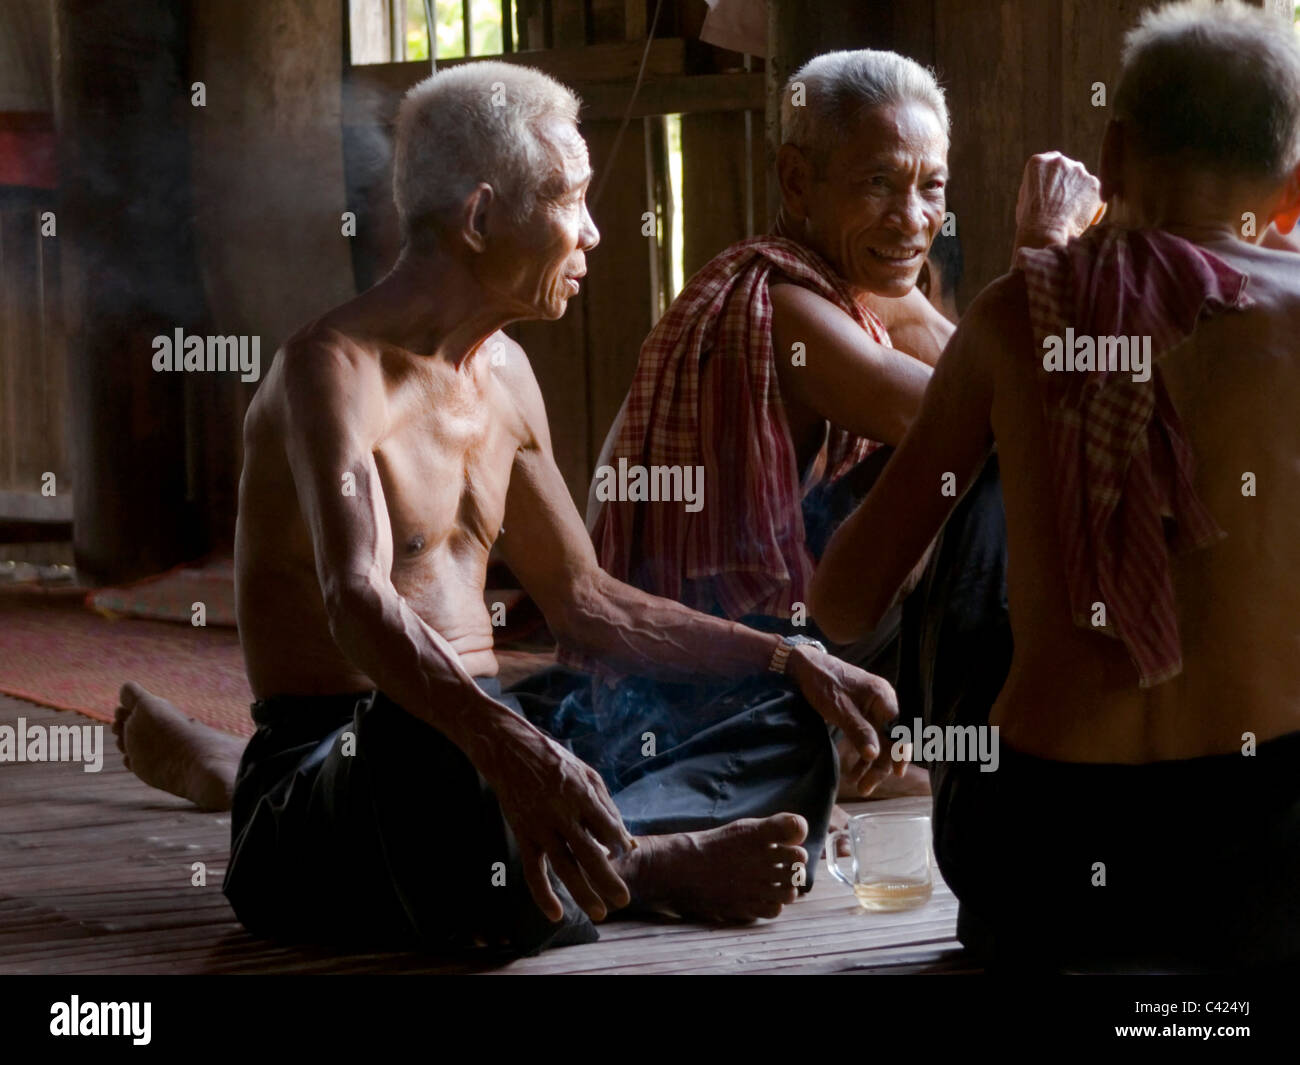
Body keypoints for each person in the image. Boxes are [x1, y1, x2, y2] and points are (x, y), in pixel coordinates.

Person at [113, 61, 908, 956]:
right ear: (482, 218)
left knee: (780, 712)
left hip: (483, 737)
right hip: (349, 763)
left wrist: (789, 656)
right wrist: (505, 745)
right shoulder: (329, 373)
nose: (596, 234)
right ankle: (641, 863)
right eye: (570, 199)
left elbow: (587, 603)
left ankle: (572, 849)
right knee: (434, 741)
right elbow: (355, 600)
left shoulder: (506, 376)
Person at [810, 0, 1300, 970]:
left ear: (1109, 158)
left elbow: (841, 601)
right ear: (1291, 194)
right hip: (1264, 858)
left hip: (1042, 853)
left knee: (986, 494)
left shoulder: (1010, 318)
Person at [582, 48, 1100, 800]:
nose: (913, 219)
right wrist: (1045, 246)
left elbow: (996, 376)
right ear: (798, 181)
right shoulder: (783, 305)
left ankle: (913, 746)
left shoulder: (860, 288)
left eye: (931, 187)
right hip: (719, 682)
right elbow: (994, 414)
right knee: (985, 463)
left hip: (802, 635)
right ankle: (977, 751)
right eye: (879, 184)